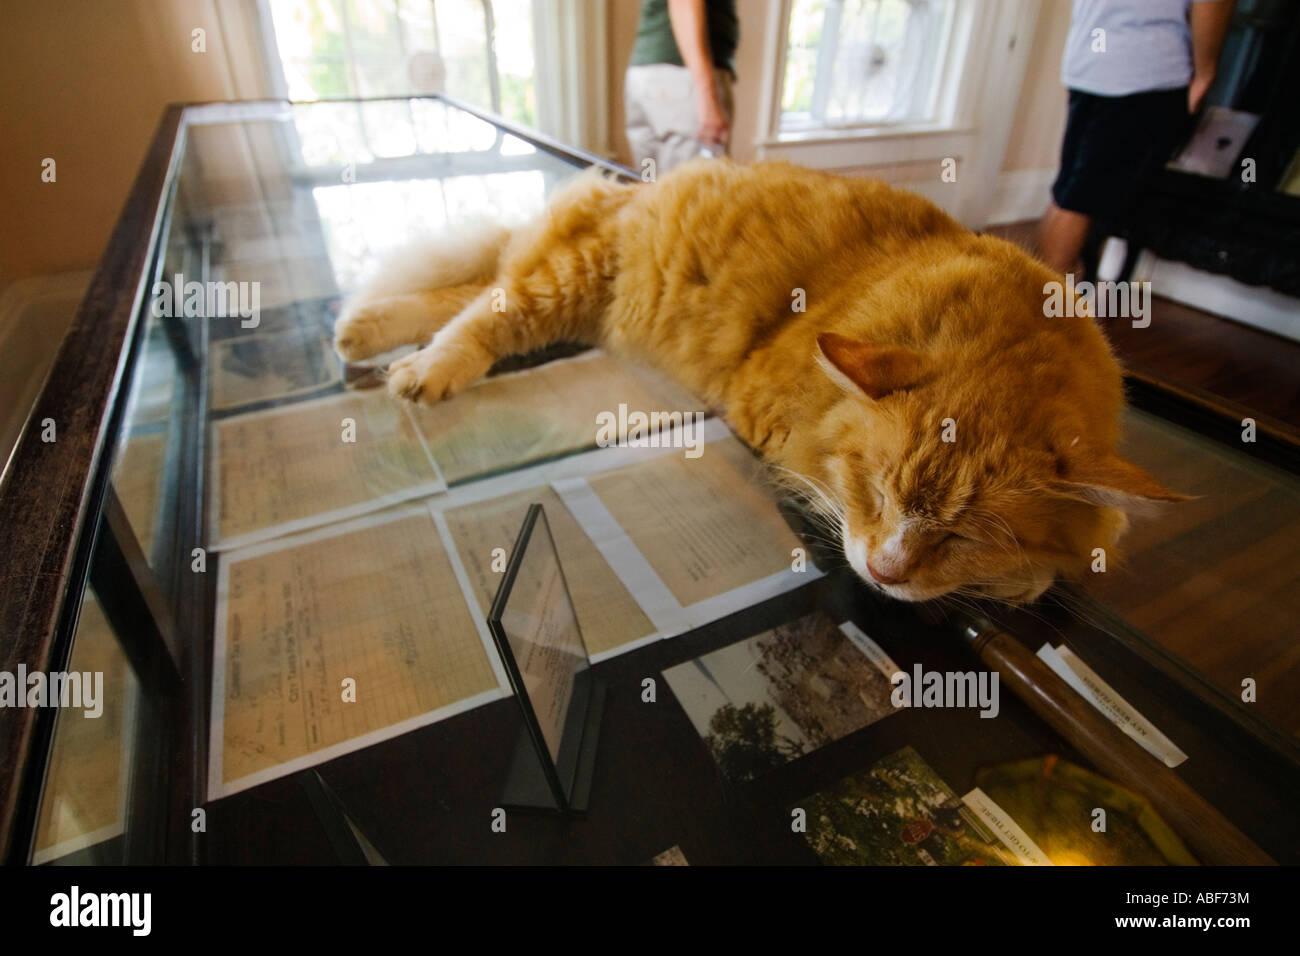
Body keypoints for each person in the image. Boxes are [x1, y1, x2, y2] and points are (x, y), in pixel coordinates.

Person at [1039, 0, 1236, 274]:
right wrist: (1206, 73)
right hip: (1142, 73)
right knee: (1079, 201)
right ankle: (1042, 310)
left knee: (1069, 193)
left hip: (1087, 61)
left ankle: (1043, 300)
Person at [625, 0, 739, 174]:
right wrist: (707, 93)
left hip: (645, 78)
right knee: (693, 192)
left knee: (650, 180)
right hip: (683, 83)